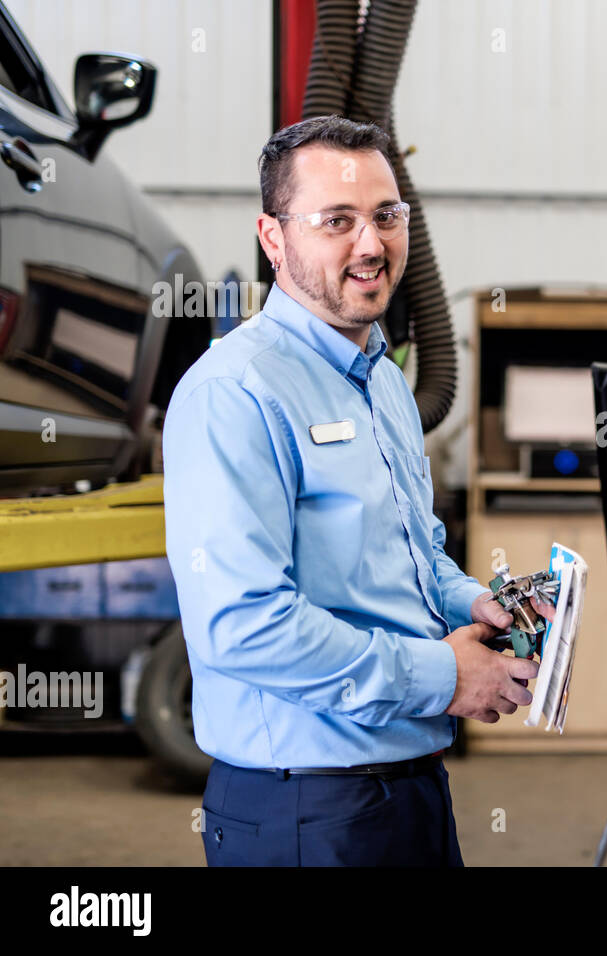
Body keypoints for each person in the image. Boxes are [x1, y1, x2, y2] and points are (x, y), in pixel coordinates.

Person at [163, 115, 544, 866]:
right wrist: (445, 673)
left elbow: (413, 552)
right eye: (336, 221)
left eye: (386, 216)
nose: (371, 245)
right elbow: (243, 624)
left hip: (410, 789)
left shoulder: (384, 382)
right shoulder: (233, 393)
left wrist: (475, 603)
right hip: (306, 808)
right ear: (274, 238)